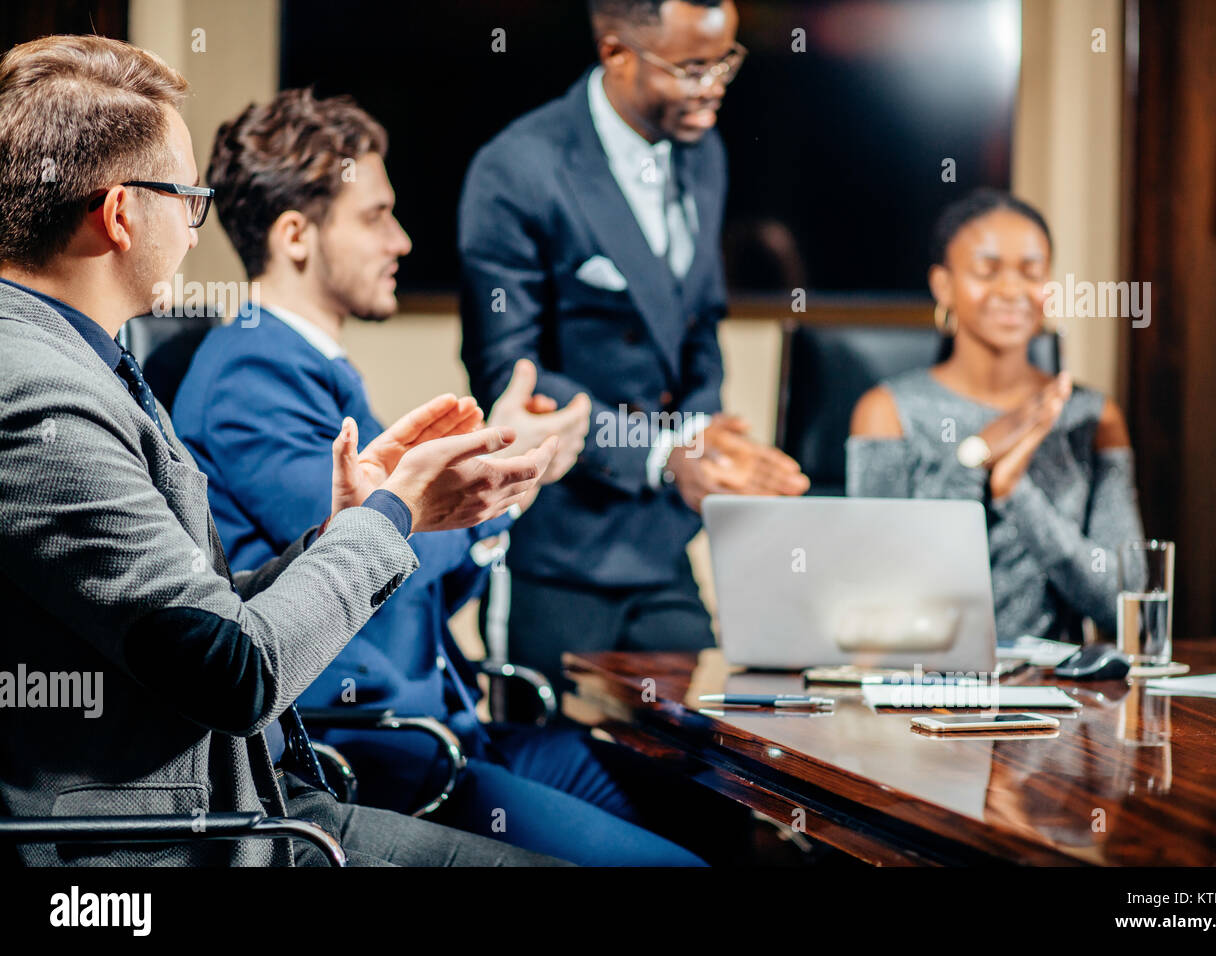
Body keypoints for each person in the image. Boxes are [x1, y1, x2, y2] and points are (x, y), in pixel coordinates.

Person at [0, 33, 564, 867]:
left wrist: (352, 525)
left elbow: (197, 624)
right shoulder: (37, 392)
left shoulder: (84, 358)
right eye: (187, 198)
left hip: (251, 806)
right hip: (168, 846)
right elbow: (232, 672)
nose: (197, 230)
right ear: (121, 213)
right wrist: (392, 515)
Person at [172, 88, 707, 865]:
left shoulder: (301, 366)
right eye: (375, 215)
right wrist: (507, 479)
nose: (402, 239)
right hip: (383, 759)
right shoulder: (252, 375)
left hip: (449, 736)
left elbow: (412, 574)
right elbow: (374, 564)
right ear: (295, 235)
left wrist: (497, 483)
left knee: (699, 810)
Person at [459, 0, 809, 694]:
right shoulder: (519, 169)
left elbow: (700, 321)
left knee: (714, 760)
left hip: (663, 545)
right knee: (559, 770)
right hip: (561, 552)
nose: (715, 85)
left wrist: (709, 436)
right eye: (692, 67)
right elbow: (511, 374)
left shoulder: (703, 149)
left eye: (725, 61)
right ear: (617, 53)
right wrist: (661, 453)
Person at [846, 189, 1145, 644]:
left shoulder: (1093, 416)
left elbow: (1128, 607)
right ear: (943, 286)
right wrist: (977, 455)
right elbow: (878, 594)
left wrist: (1015, 491)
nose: (1011, 291)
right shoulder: (887, 413)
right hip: (922, 686)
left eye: (1031, 272)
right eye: (987, 271)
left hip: (1060, 695)